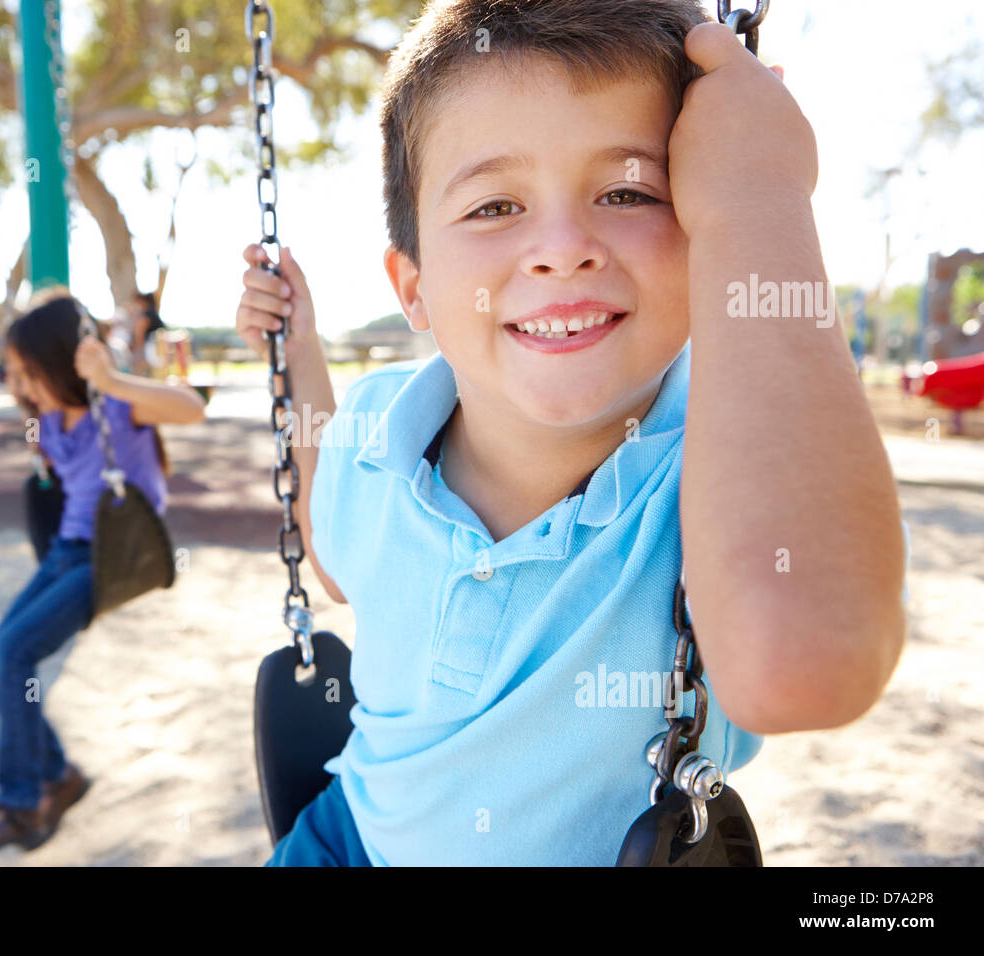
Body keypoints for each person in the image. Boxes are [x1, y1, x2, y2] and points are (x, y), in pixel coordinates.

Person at [236, 0, 911, 866]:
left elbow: (809, 661)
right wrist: (296, 350)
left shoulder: (727, 464)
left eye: (628, 192)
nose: (562, 247)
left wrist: (761, 197)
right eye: (494, 206)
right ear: (414, 288)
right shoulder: (375, 424)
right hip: (346, 843)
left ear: (708, 229)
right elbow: (334, 552)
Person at [0, 288, 207, 851]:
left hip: (109, 558)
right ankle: (60, 775)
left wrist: (110, 379)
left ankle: (20, 804)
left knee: (12, 656)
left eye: (24, 370)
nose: (16, 382)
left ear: (57, 362)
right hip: (66, 552)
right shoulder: (49, 415)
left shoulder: (115, 405)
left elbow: (192, 409)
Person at [124, 290, 165, 377]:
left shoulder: (147, 314)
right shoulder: (152, 313)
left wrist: (138, 351)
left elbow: (139, 333)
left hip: (150, 350)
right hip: (155, 350)